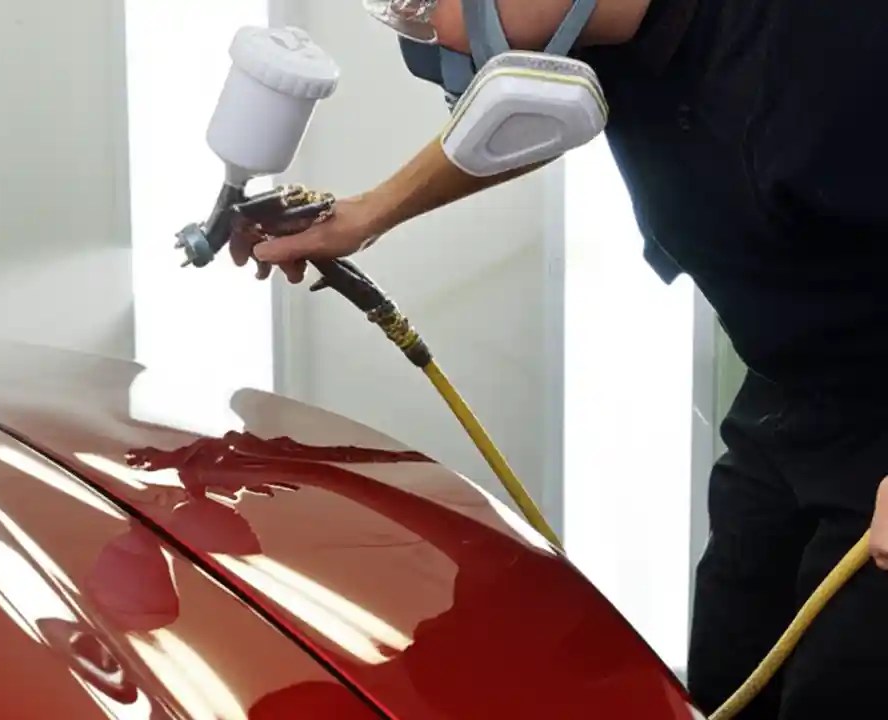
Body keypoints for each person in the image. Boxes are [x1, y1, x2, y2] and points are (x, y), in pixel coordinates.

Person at [231, 1, 888, 718]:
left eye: (431, 3)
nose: (432, 31)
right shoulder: (613, 30)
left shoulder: (833, 41)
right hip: (787, 385)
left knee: (844, 688)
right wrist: (368, 214)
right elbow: (533, 115)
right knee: (733, 674)